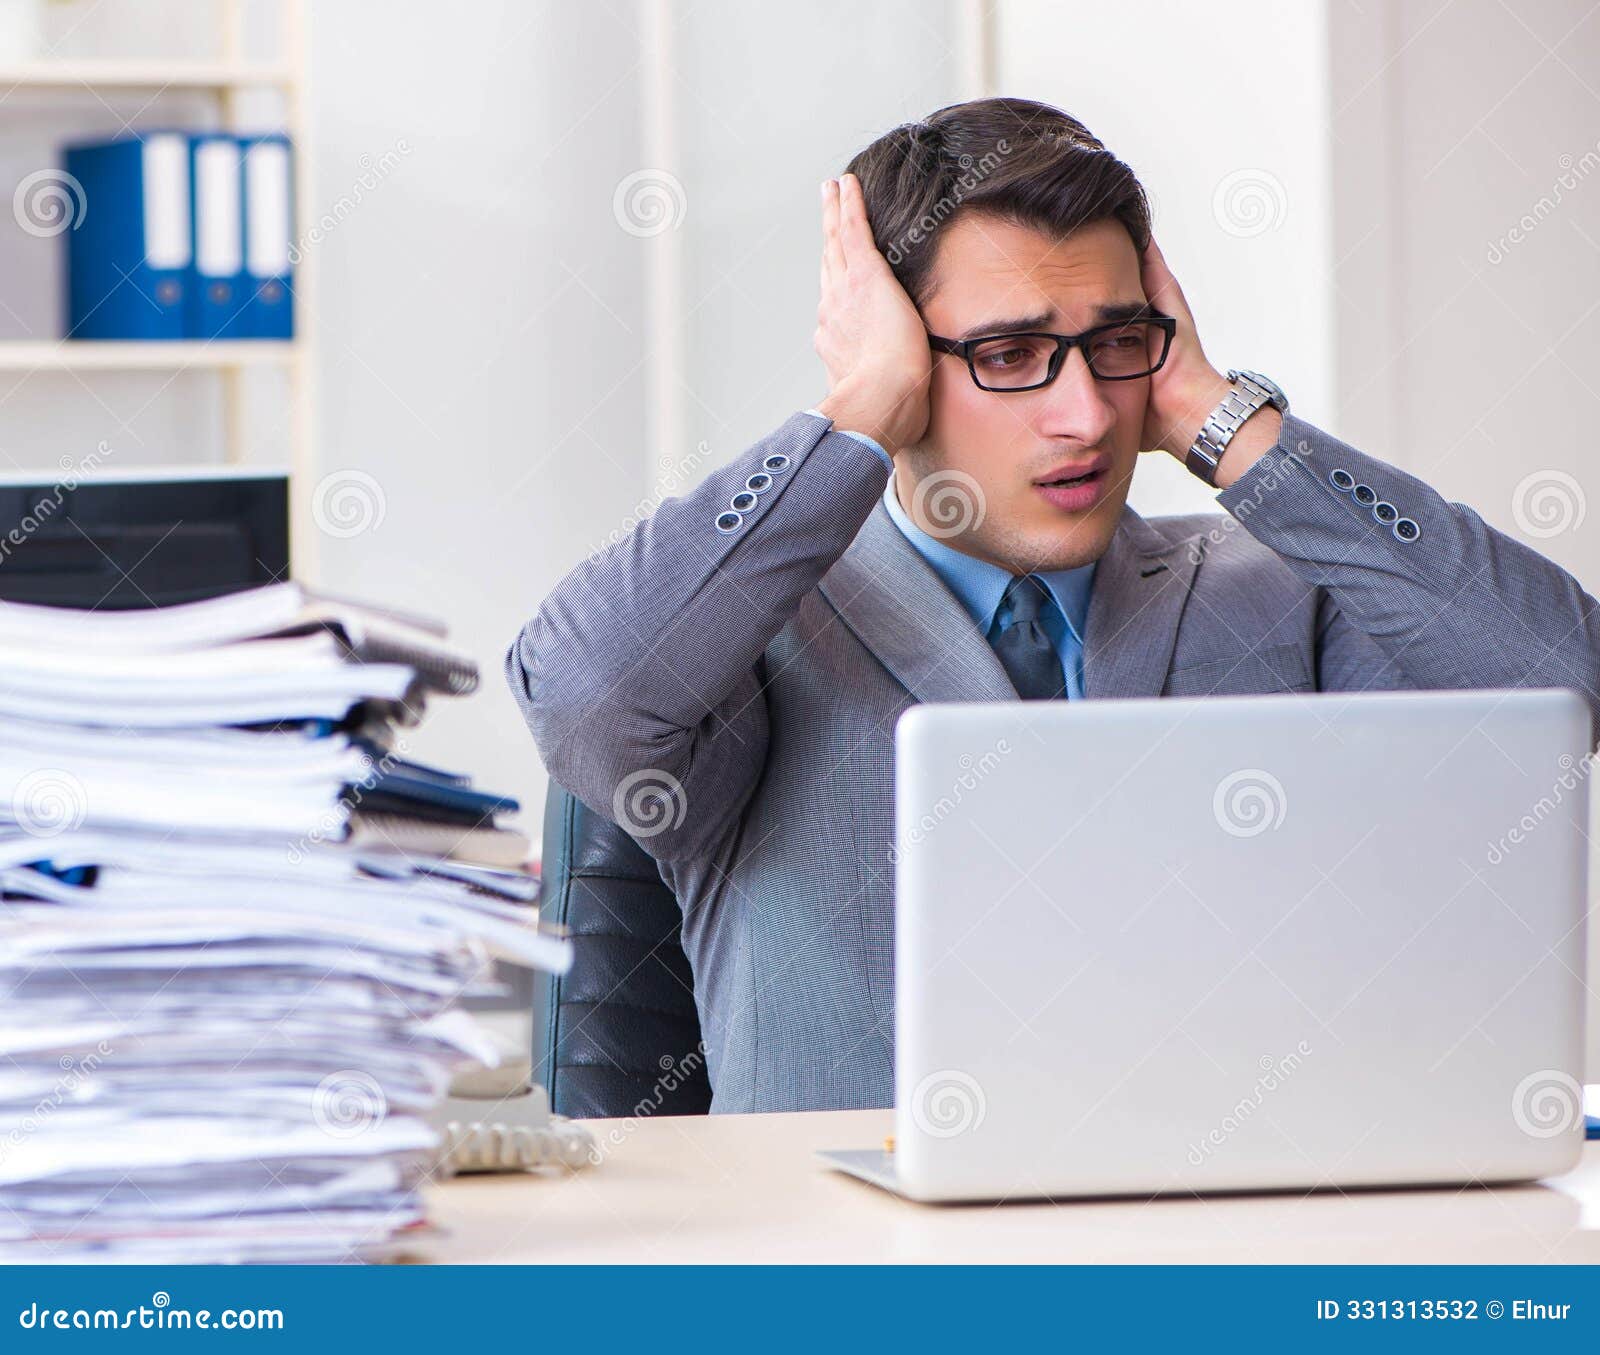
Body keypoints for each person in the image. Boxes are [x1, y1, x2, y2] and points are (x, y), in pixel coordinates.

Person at [507, 98, 1600, 1113]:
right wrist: (851, 424)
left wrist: (1217, 417)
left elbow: (1563, 681)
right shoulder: (749, 637)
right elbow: (582, 692)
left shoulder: (1278, 598)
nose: (1083, 415)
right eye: (1011, 354)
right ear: (899, 359)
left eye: (1117, 344)